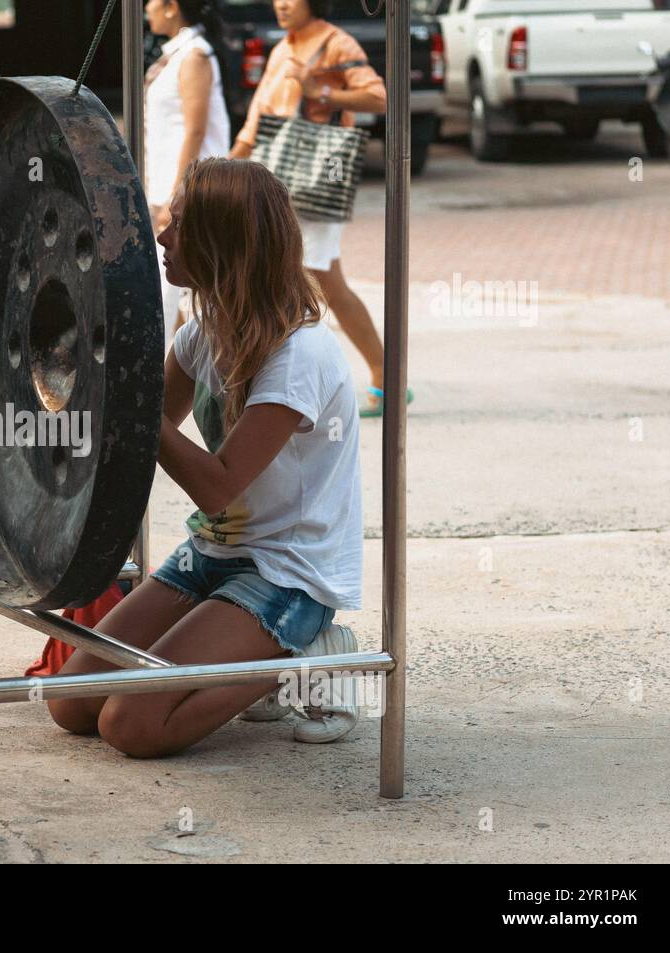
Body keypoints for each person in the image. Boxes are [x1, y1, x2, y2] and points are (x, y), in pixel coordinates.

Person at [46, 159, 363, 757]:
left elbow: (217, 487)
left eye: (181, 225)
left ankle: (305, 657)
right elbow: (146, 439)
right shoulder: (204, 332)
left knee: (133, 728)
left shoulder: (298, 355)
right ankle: (243, 657)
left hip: (286, 573)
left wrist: (126, 400)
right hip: (213, 553)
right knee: (71, 703)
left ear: (225, 243)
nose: (163, 237)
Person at [229, 0, 409, 417]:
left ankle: (381, 376)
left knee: (318, 279)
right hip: (279, 182)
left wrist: (322, 91)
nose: (282, 4)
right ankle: (380, 376)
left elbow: (380, 96)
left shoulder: (335, 43)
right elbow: (259, 115)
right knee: (319, 281)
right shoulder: (282, 47)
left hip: (317, 180)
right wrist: (231, 162)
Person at [143, 0, 229, 346]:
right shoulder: (177, 53)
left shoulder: (195, 55)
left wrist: (178, 195)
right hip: (165, 189)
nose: (146, 9)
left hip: (185, 194)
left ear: (171, 7)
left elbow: (195, 130)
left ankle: (171, 385)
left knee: (181, 288)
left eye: (151, 2)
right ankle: (184, 376)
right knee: (179, 292)